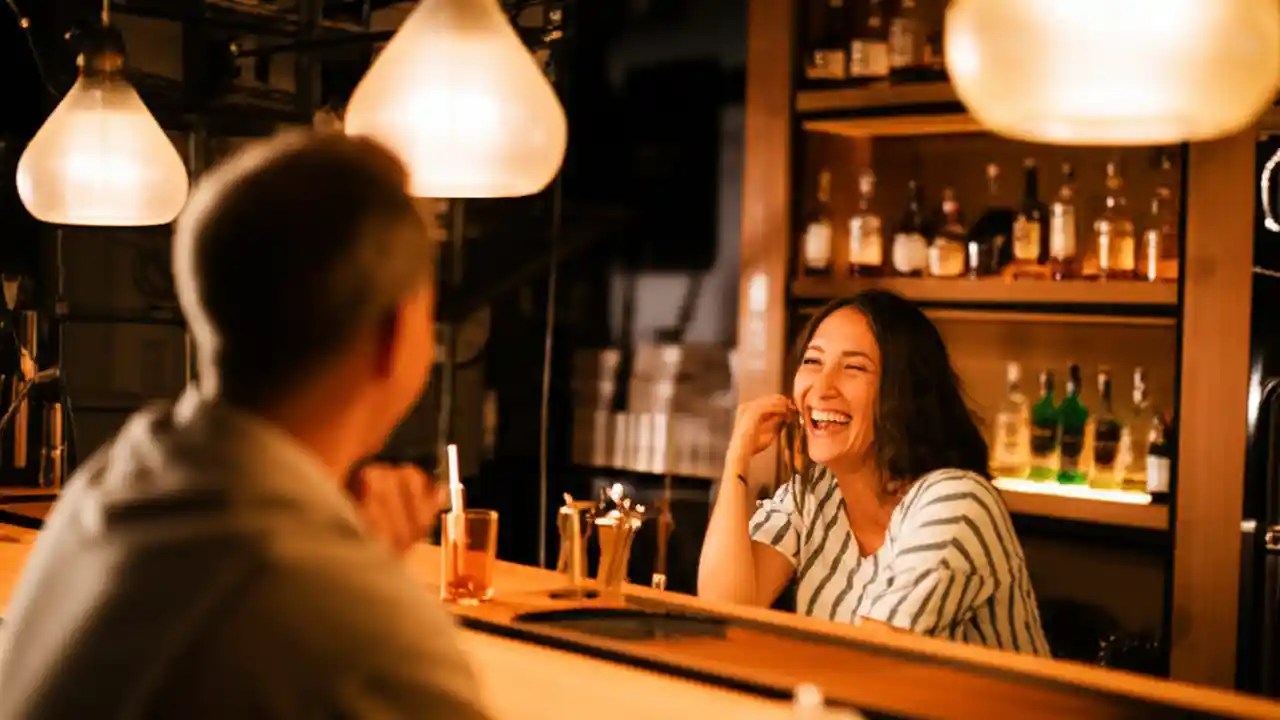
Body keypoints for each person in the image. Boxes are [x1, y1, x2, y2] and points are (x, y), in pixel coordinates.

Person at [0, 132, 493, 718]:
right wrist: (360, 584)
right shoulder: (357, 627)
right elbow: (303, 623)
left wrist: (351, 556)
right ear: (398, 333)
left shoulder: (114, 487)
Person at [699, 290, 1049, 655]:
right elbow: (724, 611)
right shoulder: (814, 494)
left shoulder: (956, 502)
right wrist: (737, 456)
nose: (821, 387)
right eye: (812, 362)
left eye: (854, 368)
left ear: (905, 393)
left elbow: (869, 662)